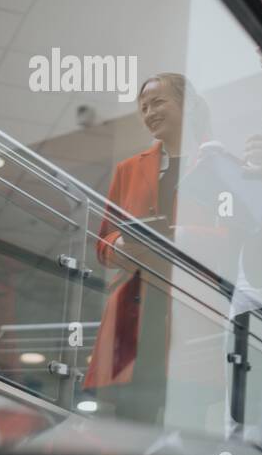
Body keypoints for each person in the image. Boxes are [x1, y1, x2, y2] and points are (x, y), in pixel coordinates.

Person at [85, 73, 228, 427]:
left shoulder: (219, 164)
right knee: (131, 420)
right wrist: (122, 245)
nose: (149, 113)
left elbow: (234, 238)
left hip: (190, 306)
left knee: (187, 419)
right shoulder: (128, 169)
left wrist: (177, 236)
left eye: (158, 102)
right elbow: (104, 242)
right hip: (137, 307)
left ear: (186, 105)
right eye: (143, 107)